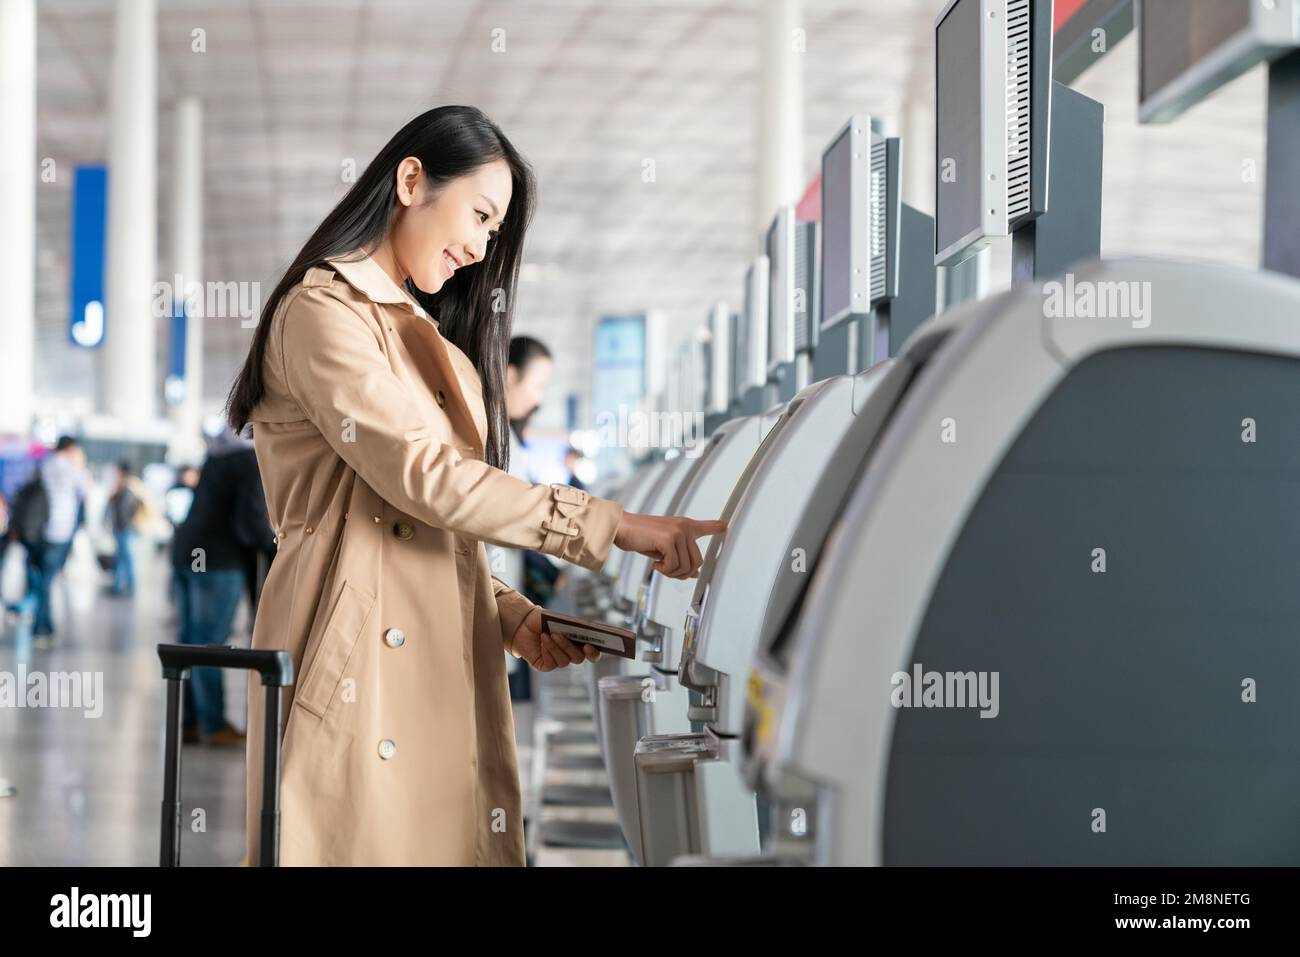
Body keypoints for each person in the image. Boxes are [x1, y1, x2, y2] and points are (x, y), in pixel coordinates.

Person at [224, 105, 725, 867]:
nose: (483, 245)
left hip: (426, 663)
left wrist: (510, 613)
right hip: (350, 663)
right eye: (482, 215)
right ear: (412, 179)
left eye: (496, 231)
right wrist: (612, 524)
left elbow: (425, 527)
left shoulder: (422, 337)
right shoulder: (322, 311)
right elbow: (423, 479)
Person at [172, 428, 276, 746]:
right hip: (218, 559)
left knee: (190, 640)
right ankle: (213, 724)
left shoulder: (217, 454)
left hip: (187, 550)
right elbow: (251, 523)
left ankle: (190, 722)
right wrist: (277, 543)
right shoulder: (249, 460)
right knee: (209, 643)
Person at [12, 437, 88, 643]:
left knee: (41, 577)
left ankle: (40, 619)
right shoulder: (73, 469)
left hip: (38, 530)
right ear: (71, 449)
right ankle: (41, 625)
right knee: (47, 579)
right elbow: (84, 493)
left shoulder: (43, 465)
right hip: (61, 531)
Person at [104, 461, 146, 597]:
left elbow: (126, 509)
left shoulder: (129, 486)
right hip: (123, 528)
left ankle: (130, 587)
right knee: (121, 559)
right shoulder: (124, 486)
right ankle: (118, 586)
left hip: (126, 528)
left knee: (126, 559)